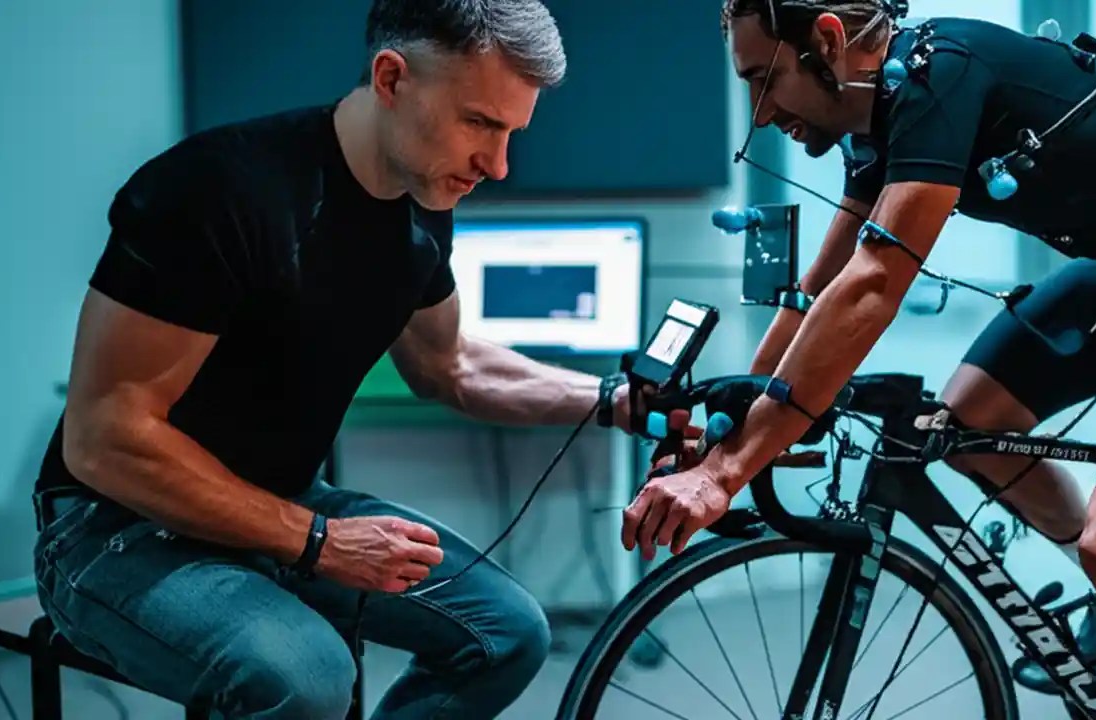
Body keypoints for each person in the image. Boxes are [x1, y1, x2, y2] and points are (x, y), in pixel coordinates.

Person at [622, 1, 1096, 718]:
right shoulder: (875, 116)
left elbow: (877, 284)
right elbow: (818, 292)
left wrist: (730, 472)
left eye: (766, 80)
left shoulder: (942, 74)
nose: (760, 116)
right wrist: (728, 431)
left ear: (826, 40)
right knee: (973, 421)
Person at [31, 2, 650, 718]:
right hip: (113, 527)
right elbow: (103, 439)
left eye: (511, 132)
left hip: (286, 503)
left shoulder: (422, 204)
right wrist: (316, 541)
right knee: (311, 676)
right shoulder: (217, 191)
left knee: (508, 632)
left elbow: (449, 365)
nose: (499, 164)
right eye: (479, 123)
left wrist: (612, 400)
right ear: (392, 78)